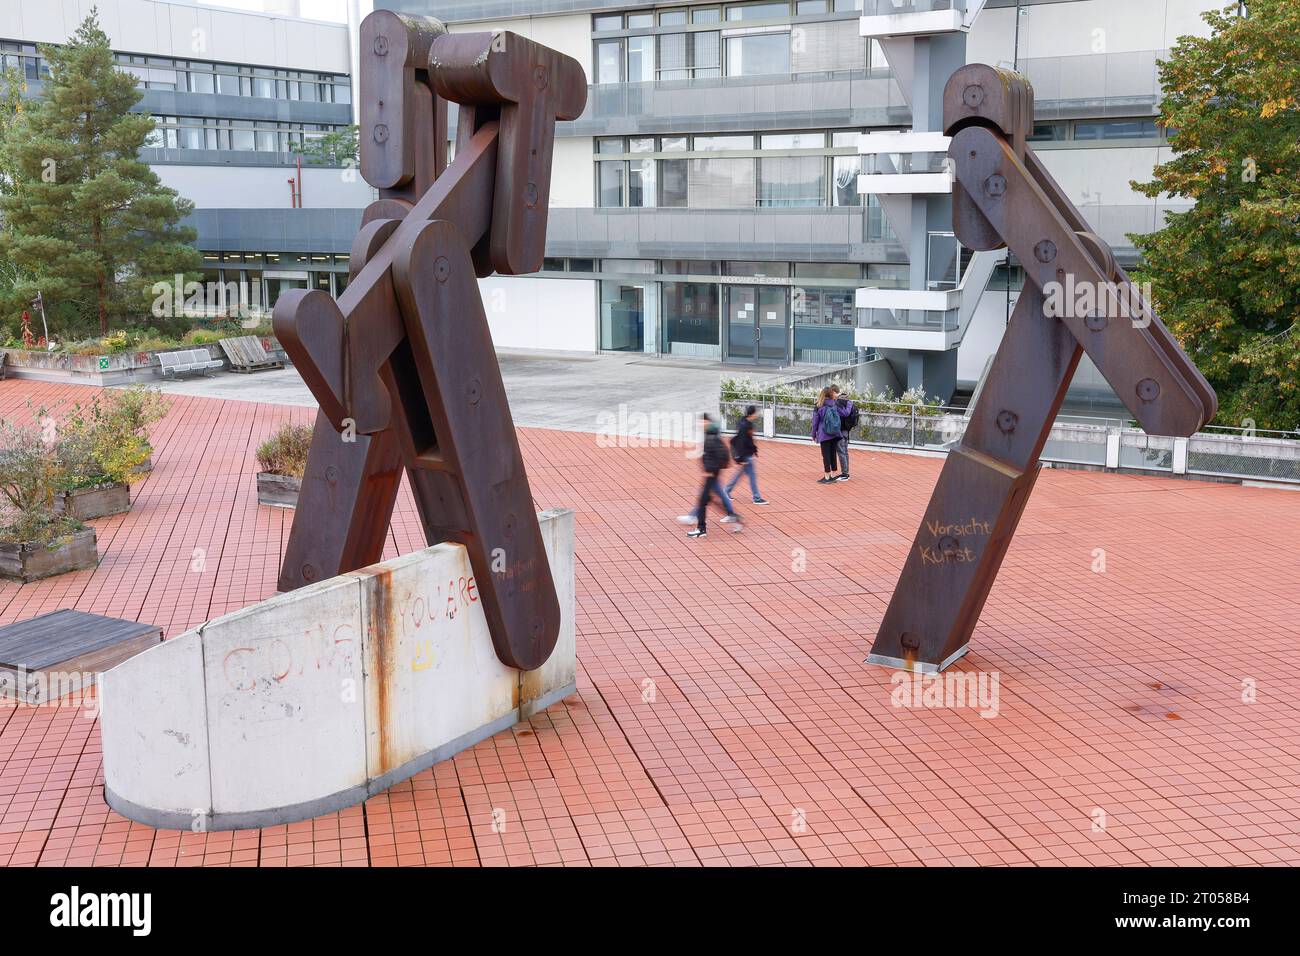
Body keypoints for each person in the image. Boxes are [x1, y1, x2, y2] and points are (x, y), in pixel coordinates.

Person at [686, 413, 741, 538]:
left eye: (703, 422)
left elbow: (721, 454)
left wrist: (710, 470)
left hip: (711, 475)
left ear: (708, 423)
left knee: (703, 501)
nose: (700, 424)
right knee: (708, 500)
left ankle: (701, 529)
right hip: (710, 475)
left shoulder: (712, 438)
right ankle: (735, 519)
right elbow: (709, 455)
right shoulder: (710, 436)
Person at [725, 405, 769, 505]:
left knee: (739, 475)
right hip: (746, 455)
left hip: (746, 454)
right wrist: (741, 458)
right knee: (752, 476)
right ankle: (756, 498)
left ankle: (726, 491)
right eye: (756, 413)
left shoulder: (743, 422)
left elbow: (746, 440)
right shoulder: (746, 426)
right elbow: (742, 442)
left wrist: (753, 450)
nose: (757, 415)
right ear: (752, 414)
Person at [811, 386, 842, 484]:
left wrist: (813, 434)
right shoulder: (834, 404)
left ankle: (827, 477)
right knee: (833, 454)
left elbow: (815, 422)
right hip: (834, 433)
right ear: (831, 394)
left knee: (826, 455)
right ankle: (833, 475)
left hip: (824, 433)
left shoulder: (819, 406)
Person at [830, 385, 856, 482]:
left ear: (833, 392)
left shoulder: (837, 402)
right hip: (846, 429)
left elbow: (844, 413)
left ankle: (845, 474)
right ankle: (846, 472)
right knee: (844, 451)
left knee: (841, 451)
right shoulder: (848, 400)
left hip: (840, 430)